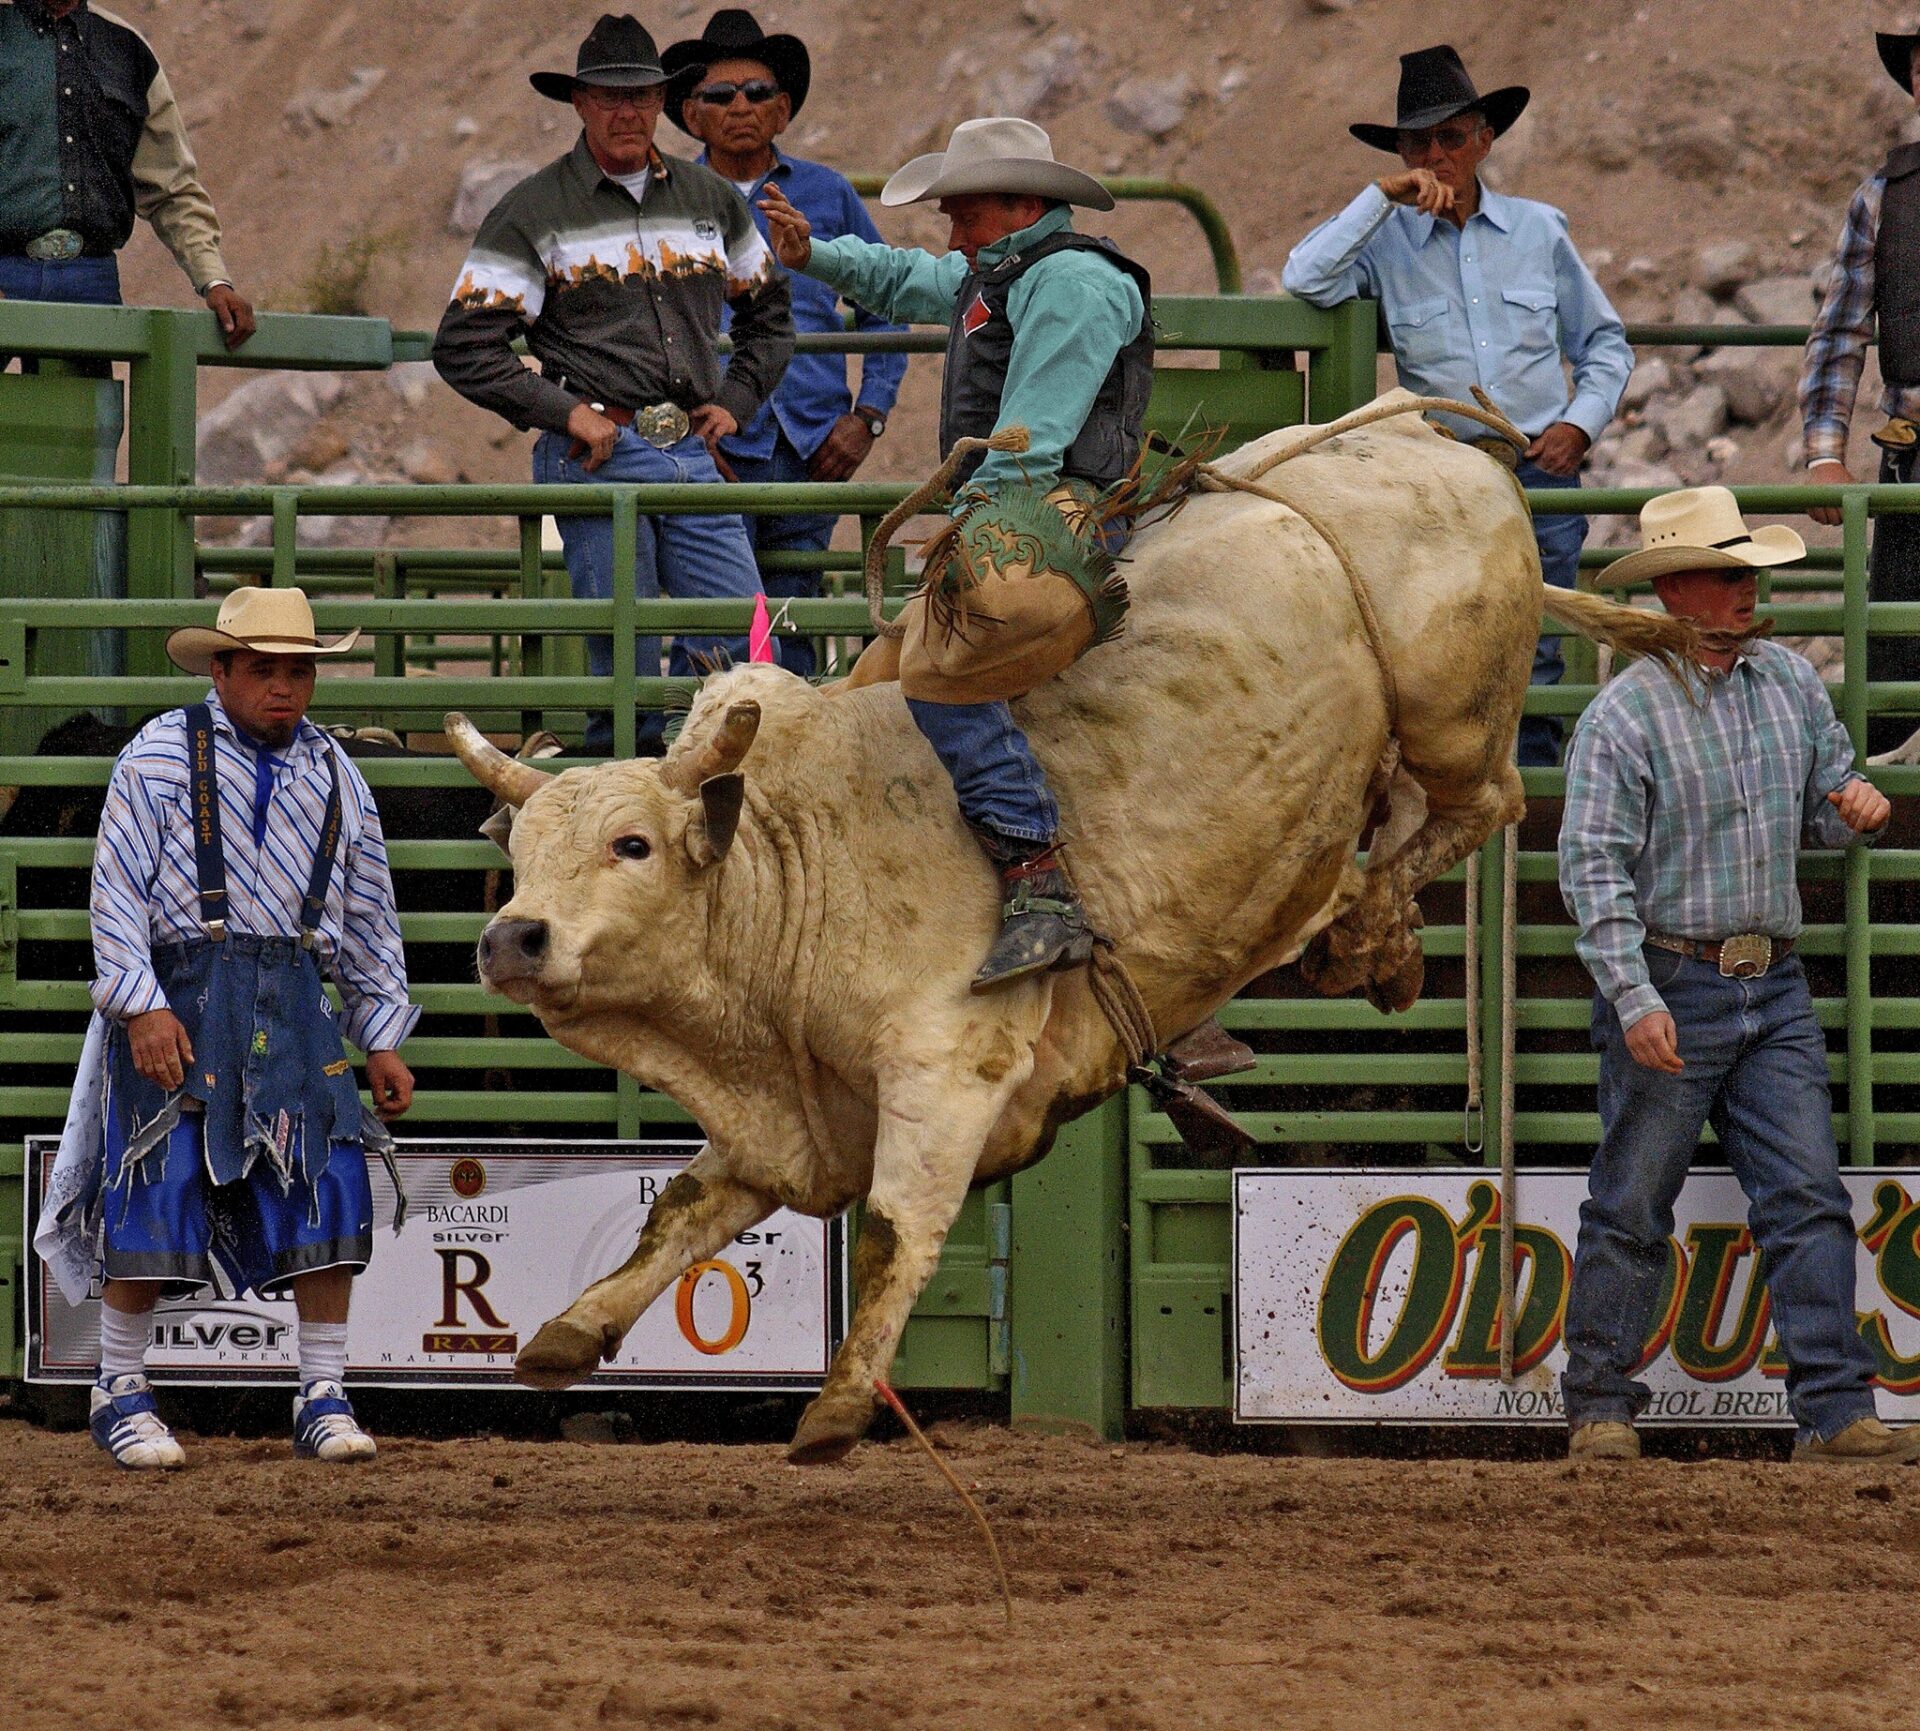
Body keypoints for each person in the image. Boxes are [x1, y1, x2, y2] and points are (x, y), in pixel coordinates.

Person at [1556, 486, 1914, 1464]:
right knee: (1635, 1202)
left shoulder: (1788, 687)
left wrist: (1853, 809)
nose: (1749, 586)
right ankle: (1601, 1405)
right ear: (1678, 589)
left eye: (1748, 569)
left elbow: (1819, 810)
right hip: (1682, 978)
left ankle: (1834, 1412)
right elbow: (1593, 871)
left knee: (1801, 1197)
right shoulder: (1627, 715)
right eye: (1729, 571)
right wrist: (1635, 996)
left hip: (1764, 980)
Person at [33, 586, 418, 1469]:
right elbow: (117, 889)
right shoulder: (158, 757)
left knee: (326, 1178)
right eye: (263, 669)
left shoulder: (337, 776)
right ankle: (119, 1387)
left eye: (298, 670)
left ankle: (322, 1390)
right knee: (157, 1176)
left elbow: (367, 914)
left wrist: (381, 1033)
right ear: (222, 670)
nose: (283, 687)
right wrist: (139, 1003)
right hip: (183, 992)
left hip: (293, 992)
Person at [760, 117, 1150, 986]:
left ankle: (1038, 881)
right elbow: (908, 277)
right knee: (865, 689)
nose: (953, 234)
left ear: (1022, 205)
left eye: (964, 215)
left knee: (936, 675)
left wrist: (966, 525)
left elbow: (1029, 437)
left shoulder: (1074, 285)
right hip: (1016, 507)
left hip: (1057, 516)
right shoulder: (1003, 272)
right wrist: (813, 255)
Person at [432, 12, 794, 752]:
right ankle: (621, 798)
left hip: (690, 445)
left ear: (664, 102)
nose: (626, 112)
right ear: (579, 104)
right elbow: (464, 344)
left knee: (752, 650)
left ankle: (727, 793)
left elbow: (769, 314)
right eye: (607, 97)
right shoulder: (532, 209)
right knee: (620, 668)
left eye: (641, 96)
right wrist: (568, 415)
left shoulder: (710, 199)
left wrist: (734, 402)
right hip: (596, 449)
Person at [1283, 44, 1631, 768]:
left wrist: (1578, 423)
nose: (1435, 155)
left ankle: (1528, 817)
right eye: (1418, 142)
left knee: (1537, 645)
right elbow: (1304, 279)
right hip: (1440, 473)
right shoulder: (1384, 238)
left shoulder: (1539, 231)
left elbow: (1603, 343)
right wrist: (1382, 197)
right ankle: (1455, 805)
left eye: (1450, 137)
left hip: (1539, 464)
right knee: (1441, 641)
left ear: (1483, 141)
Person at [662, 8, 907, 679]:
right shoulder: (663, 200)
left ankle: (791, 772)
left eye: (757, 93)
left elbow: (887, 307)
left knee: (794, 622)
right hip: (710, 450)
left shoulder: (828, 195)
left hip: (811, 448)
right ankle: (703, 770)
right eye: (719, 95)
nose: (740, 106)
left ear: (783, 109)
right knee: (717, 624)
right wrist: (681, 433)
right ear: (691, 113)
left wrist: (868, 417)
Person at [1799, 26, 1920, 756]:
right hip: (1913, 462)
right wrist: (1824, 455)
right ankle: (1893, 856)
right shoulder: (1883, 199)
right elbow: (1840, 330)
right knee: (1896, 660)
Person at [0, 0, 253, 344]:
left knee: (87, 400)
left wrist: (214, 281)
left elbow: (172, 189)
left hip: (89, 281)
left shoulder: (127, 49)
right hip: (4, 267)